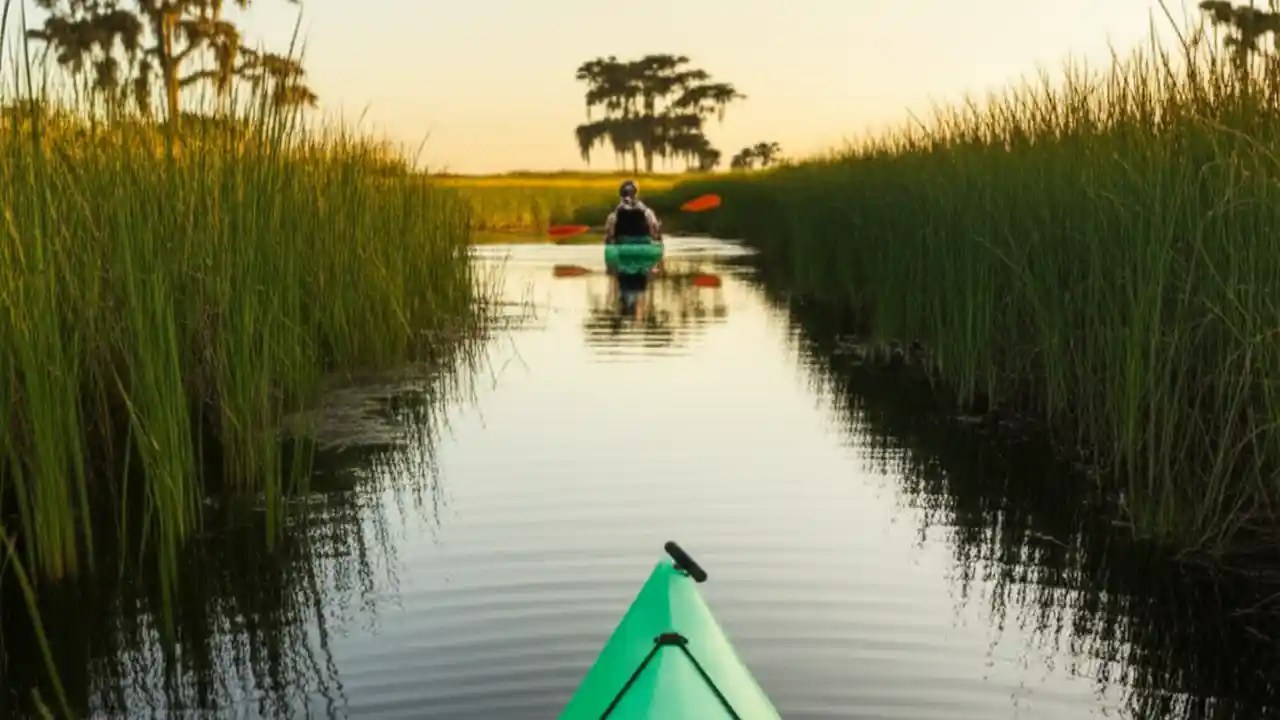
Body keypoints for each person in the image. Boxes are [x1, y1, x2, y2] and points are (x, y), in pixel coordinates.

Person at [604, 180, 662, 245]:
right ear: (636, 193)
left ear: (621, 194)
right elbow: (655, 231)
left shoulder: (614, 214)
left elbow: (609, 235)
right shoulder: (647, 212)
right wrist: (657, 238)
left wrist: (609, 241)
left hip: (622, 245)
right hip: (644, 245)